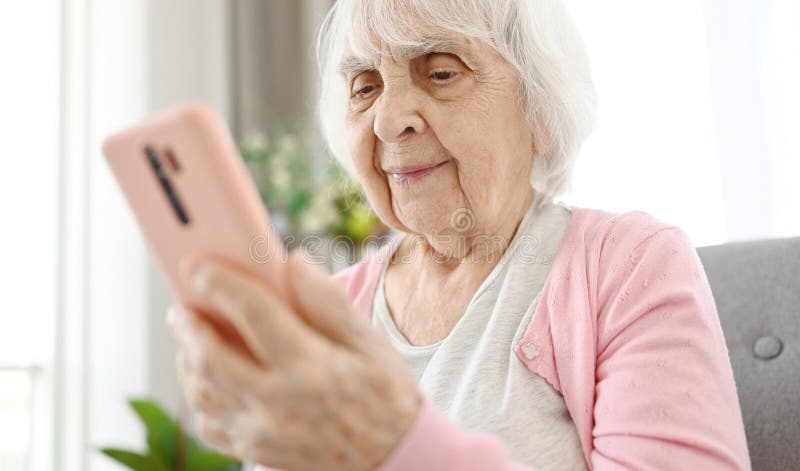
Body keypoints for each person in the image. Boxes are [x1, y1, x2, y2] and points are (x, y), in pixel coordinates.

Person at [166, 0, 751, 469]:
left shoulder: (627, 268)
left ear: (539, 109)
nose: (389, 119)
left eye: (441, 71)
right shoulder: (328, 310)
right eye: (365, 86)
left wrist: (390, 444)